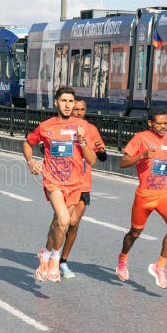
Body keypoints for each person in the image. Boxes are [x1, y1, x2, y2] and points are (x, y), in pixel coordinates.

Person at [23, 86, 96, 283]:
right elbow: (27, 143)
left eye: (71, 101)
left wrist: (82, 141)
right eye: (64, 101)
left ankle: (45, 253)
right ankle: (55, 258)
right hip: (53, 180)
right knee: (64, 220)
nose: (67, 105)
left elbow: (92, 160)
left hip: (75, 183)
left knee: (57, 224)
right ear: (56, 102)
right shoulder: (46, 126)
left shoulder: (83, 127)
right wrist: (31, 161)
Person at [116, 106, 167, 289]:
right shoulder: (140, 138)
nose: (163, 127)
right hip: (144, 196)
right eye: (159, 123)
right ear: (150, 123)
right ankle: (123, 258)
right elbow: (123, 162)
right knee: (135, 233)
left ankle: (159, 266)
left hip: (163, 194)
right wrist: (142, 155)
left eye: (166, 123)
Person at [58, 98, 108, 279]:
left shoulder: (91, 129)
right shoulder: (60, 127)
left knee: (73, 223)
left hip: (83, 183)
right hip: (63, 181)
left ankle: (63, 261)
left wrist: (101, 151)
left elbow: (102, 157)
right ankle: (52, 254)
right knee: (63, 222)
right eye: (75, 109)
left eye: (82, 109)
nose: (78, 112)